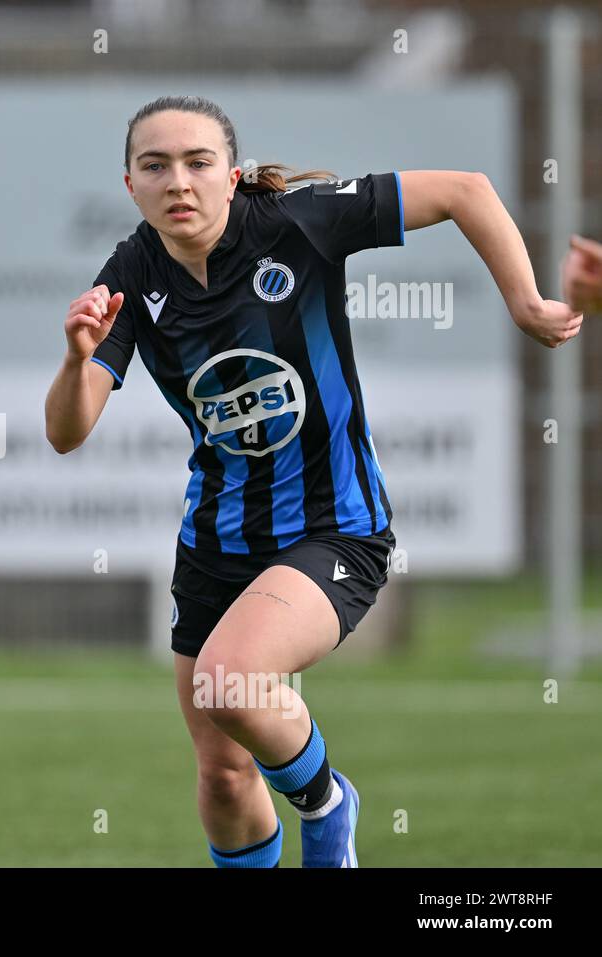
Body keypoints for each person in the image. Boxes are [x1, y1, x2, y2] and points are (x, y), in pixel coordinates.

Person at [44, 94, 582, 867]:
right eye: (155, 165)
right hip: (215, 544)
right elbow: (67, 432)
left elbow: (466, 190)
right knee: (224, 777)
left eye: (198, 162)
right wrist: (75, 358)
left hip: (335, 528)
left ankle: (329, 807)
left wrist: (525, 300)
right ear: (130, 185)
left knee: (230, 684)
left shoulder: (296, 223)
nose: (179, 182)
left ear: (231, 175)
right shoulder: (132, 274)